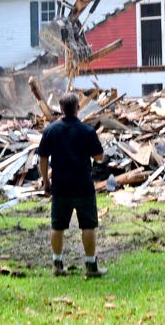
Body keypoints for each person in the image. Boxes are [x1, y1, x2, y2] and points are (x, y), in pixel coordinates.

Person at [37, 92, 107, 277]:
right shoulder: (87, 131)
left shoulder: (51, 130)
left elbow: (43, 159)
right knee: (88, 226)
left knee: (57, 226)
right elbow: (99, 157)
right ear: (78, 108)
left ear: (61, 109)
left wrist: (46, 181)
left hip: (60, 186)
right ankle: (91, 267)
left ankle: (57, 265)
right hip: (83, 186)